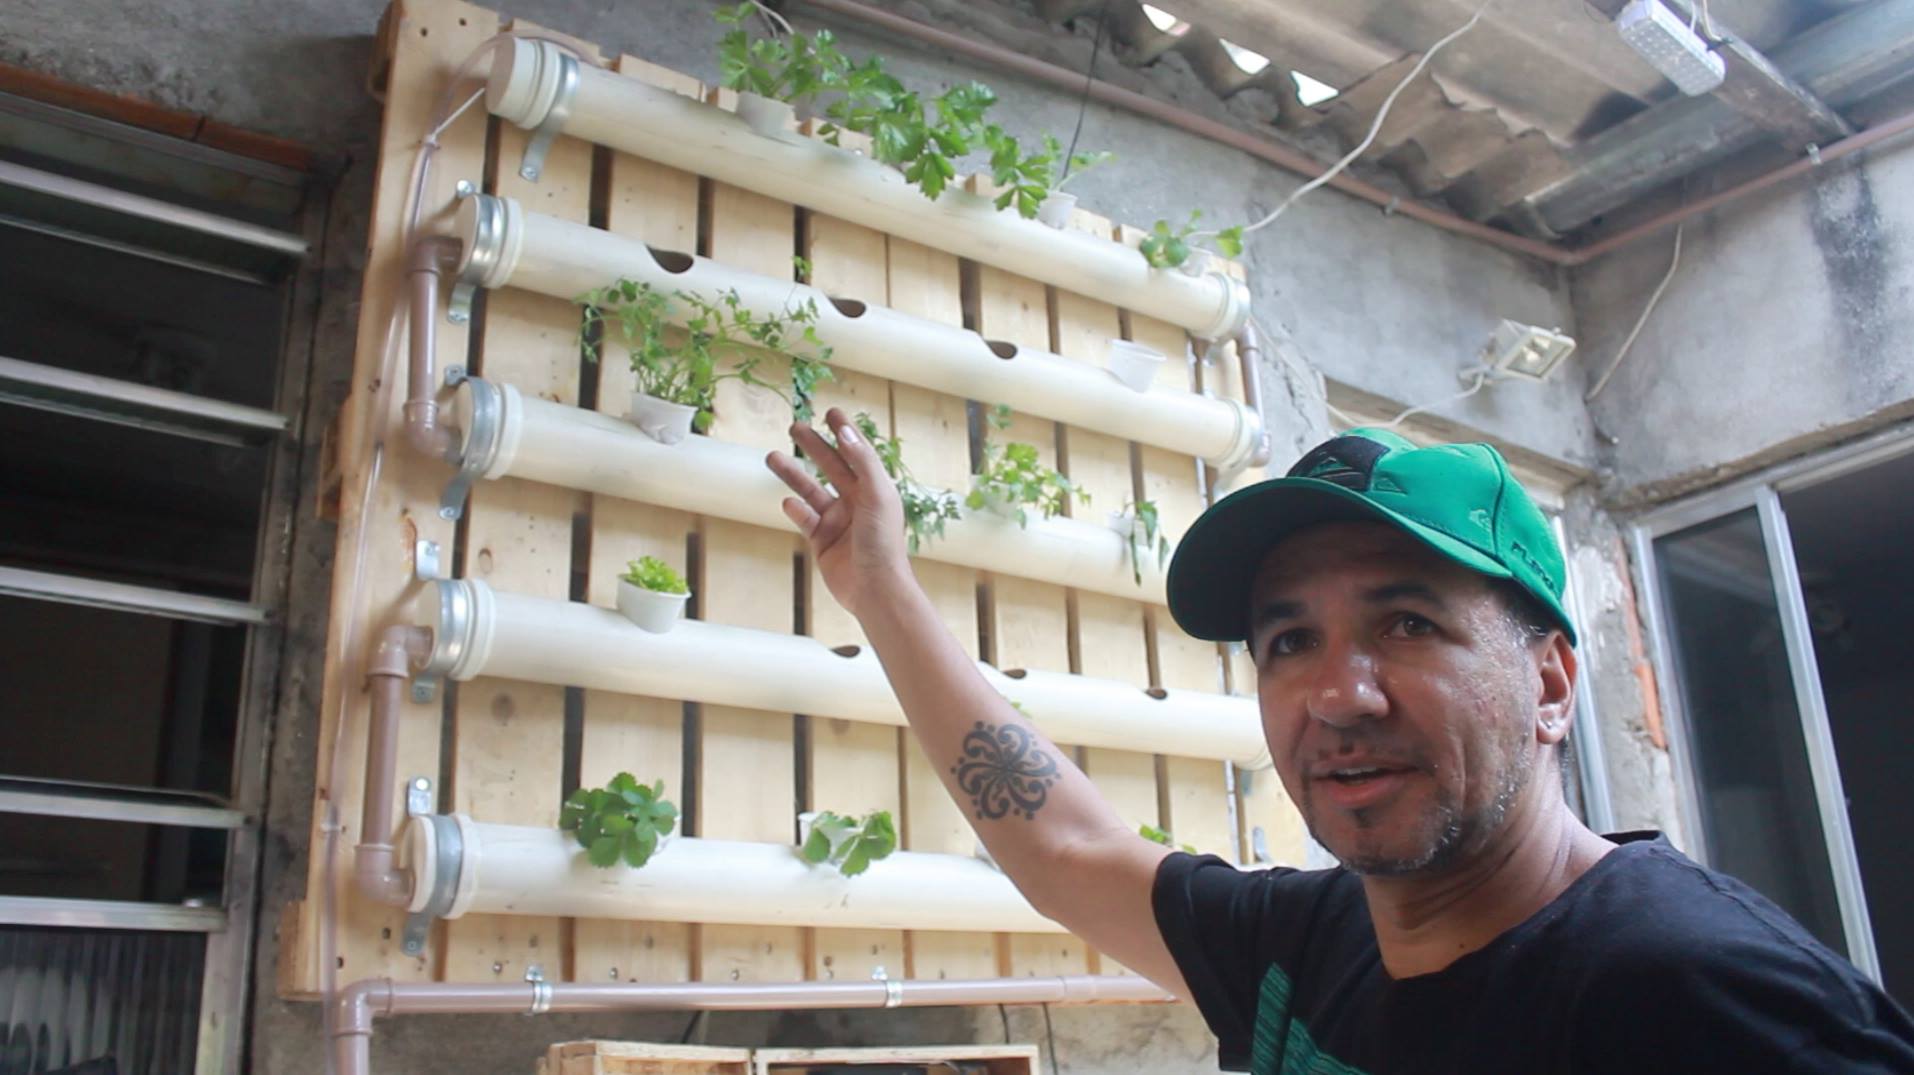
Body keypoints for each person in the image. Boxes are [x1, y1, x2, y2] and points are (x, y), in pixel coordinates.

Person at [765, 412, 1914, 1074]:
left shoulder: (1695, 995)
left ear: (1553, 682)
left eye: (1407, 624)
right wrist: (880, 593)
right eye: (1288, 642)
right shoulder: (1306, 949)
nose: (1337, 695)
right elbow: (1066, 847)